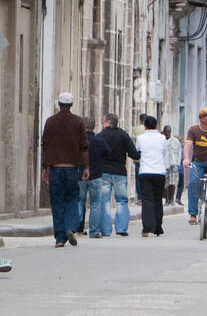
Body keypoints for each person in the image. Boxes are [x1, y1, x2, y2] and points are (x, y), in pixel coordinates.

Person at [40, 93, 89, 248]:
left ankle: (60, 238)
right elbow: (83, 146)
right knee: (73, 199)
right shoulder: (78, 122)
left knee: (57, 201)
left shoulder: (50, 122)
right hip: (72, 168)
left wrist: (45, 167)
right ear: (71, 105)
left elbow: (45, 145)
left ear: (59, 104)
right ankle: (70, 228)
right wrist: (86, 167)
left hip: (55, 168)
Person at [96, 113, 139, 237]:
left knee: (104, 201)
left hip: (104, 172)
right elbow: (134, 154)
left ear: (108, 123)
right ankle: (121, 229)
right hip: (120, 171)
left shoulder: (101, 136)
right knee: (122, 200)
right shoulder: (123, 135)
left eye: (104, 122)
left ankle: (106, 230)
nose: (102, 124)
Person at [77, 116, 110, 238]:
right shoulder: (99, 141)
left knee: (80, 202)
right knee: (95, 204)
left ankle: (77, 229)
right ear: (93, 126)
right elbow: (107, 153)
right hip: (96, 176)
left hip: (80, 176)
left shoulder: (78, 141)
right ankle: (94, 231)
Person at [135, 116, 167, 236]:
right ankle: (158, 227)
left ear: (145, 126)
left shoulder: (140, 138)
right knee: (158, 199)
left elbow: (137, 151)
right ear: (156, 125)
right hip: (159, 171)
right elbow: (163, 153)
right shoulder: (162, 138)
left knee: (147, 199)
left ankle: (147, 227)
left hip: (145, 171)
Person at [163, 125, 183, 206]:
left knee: (172, 183)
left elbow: (179, 153)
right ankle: (166, 200)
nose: (167, 133)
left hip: (173, 164)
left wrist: (177, 164)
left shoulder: (175, 141)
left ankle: (172, 199)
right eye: (166, 132)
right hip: (164, 165)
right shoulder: (162, 141)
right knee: (165, 184)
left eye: (169, 131)